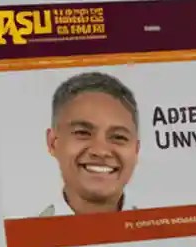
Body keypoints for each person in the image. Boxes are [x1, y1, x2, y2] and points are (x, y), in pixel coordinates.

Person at [37, 72, 141, 217]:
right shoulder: (22, 238)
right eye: (82, 133)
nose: (101, 151)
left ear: (136, 150)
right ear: (53, 143)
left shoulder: (166, 237)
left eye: (118, 137)